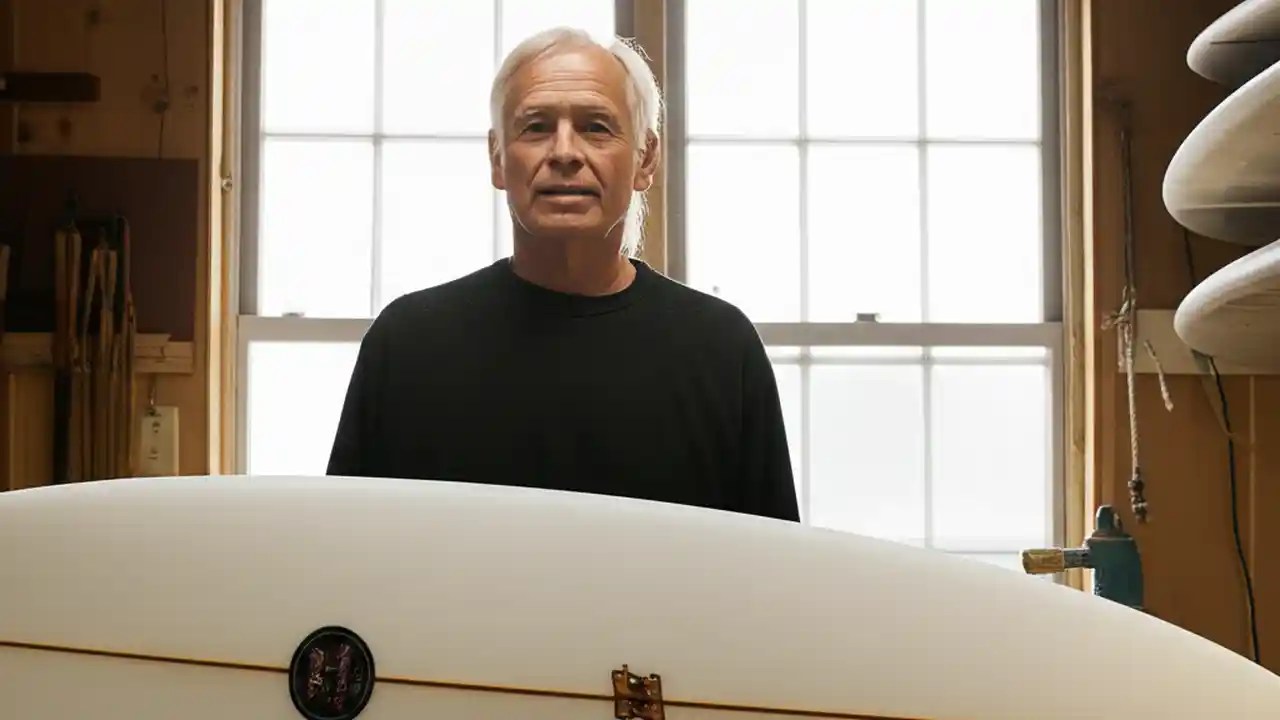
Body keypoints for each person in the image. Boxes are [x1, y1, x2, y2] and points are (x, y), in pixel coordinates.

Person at [326, 27, 799, 522]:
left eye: (596, 127)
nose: (566, 152)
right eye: (535, 127)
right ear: (497, 158)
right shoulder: (407, 345)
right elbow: (348, 559)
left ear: (646, 158)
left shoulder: (722, 351)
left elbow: (773, 576)